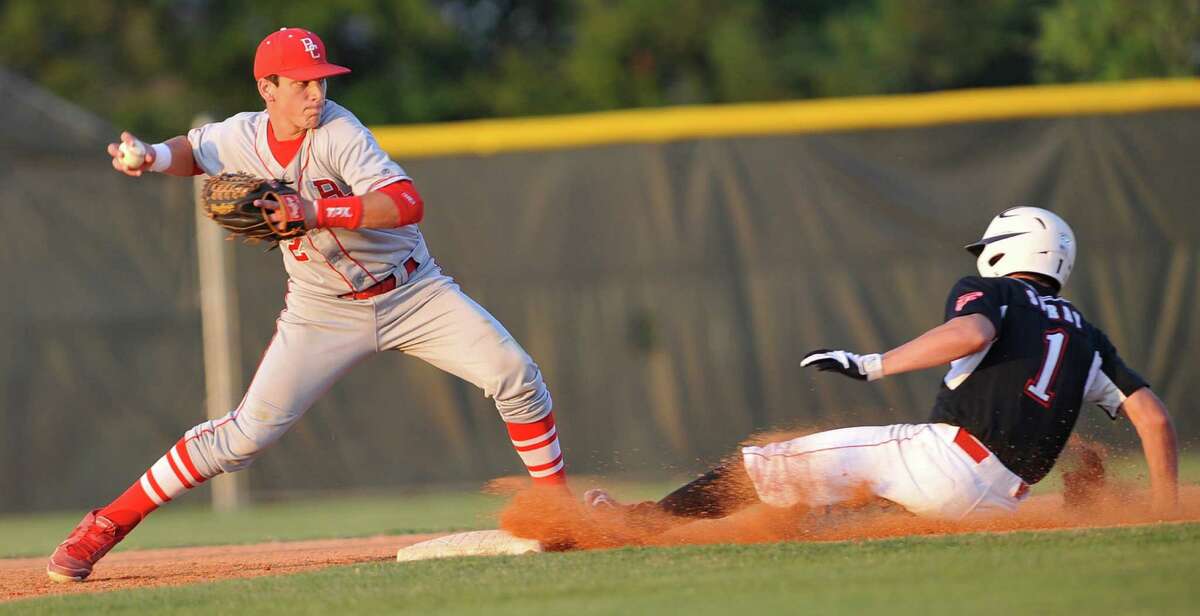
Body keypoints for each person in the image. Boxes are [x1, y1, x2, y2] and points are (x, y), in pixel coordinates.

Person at [47, 27, 566, 583]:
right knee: (243, 437)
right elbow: (193, 151)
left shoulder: (341, 131)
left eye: (321, 81)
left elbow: (407, 202)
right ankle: (106, 524)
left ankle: (559, 511)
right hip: (322, 310)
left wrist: (316, 211)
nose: (317, 93)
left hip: (415, 293)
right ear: (267, 88)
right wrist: (148, 156)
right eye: (302, 84)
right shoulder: (242, 135)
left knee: (516, 375)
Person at [587, 207, 1178, 525]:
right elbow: (1152, 419)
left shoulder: (994, 293)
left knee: (765, 465)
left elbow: (970, 331)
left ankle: (637, 523)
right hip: (1004, 502)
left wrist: (873, 364)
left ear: (1009, 249)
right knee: (859, 490)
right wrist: (1163, 506)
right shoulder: (1086, 333)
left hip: (948, 461)